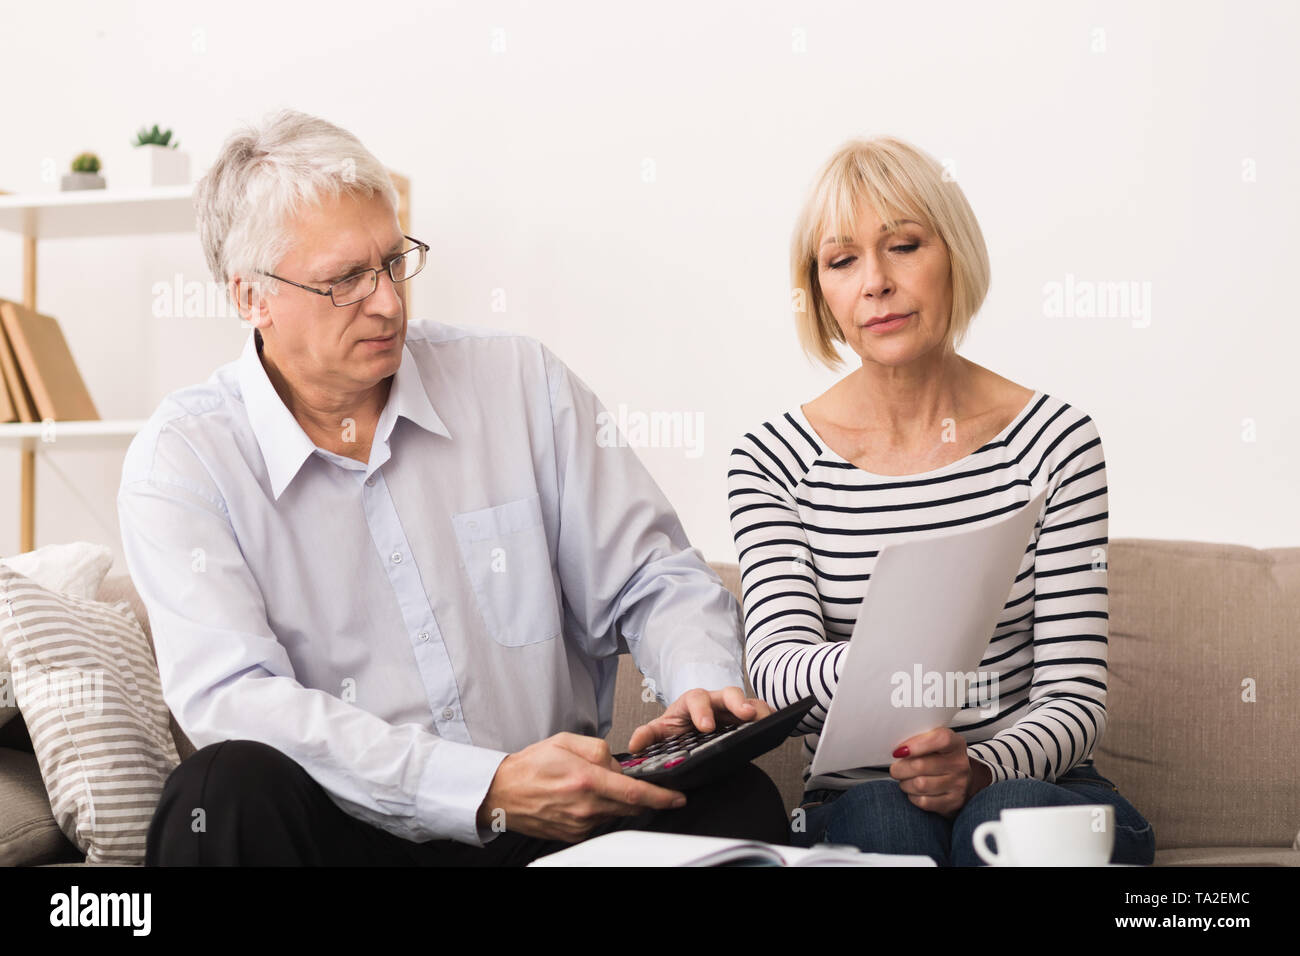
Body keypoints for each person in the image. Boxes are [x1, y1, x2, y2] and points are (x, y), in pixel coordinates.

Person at [119, 108, 787, 866]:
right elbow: (240, 700)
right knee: (218, 791)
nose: (388, 302)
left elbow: (652, 575)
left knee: (740, 801)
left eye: (394, 261)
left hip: (549, 836)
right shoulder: (183, 461)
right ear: (250, 298)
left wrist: (700, 694)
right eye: (346, 280)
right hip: (352, 836)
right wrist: (482, 785)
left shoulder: (517, 383)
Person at [726, 135, 1155, 866]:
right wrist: (898, 655)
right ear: (821, 293)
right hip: (857, 794)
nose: (875, 283)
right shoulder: (770, 460)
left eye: (904, 245)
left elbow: (1075, 697)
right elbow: (776, 663)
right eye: (842, 260)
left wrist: (980, 769)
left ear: (952, 253)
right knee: (887, 823)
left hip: (1040, 784)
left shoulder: (1056, 439)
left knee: (1007, 817)